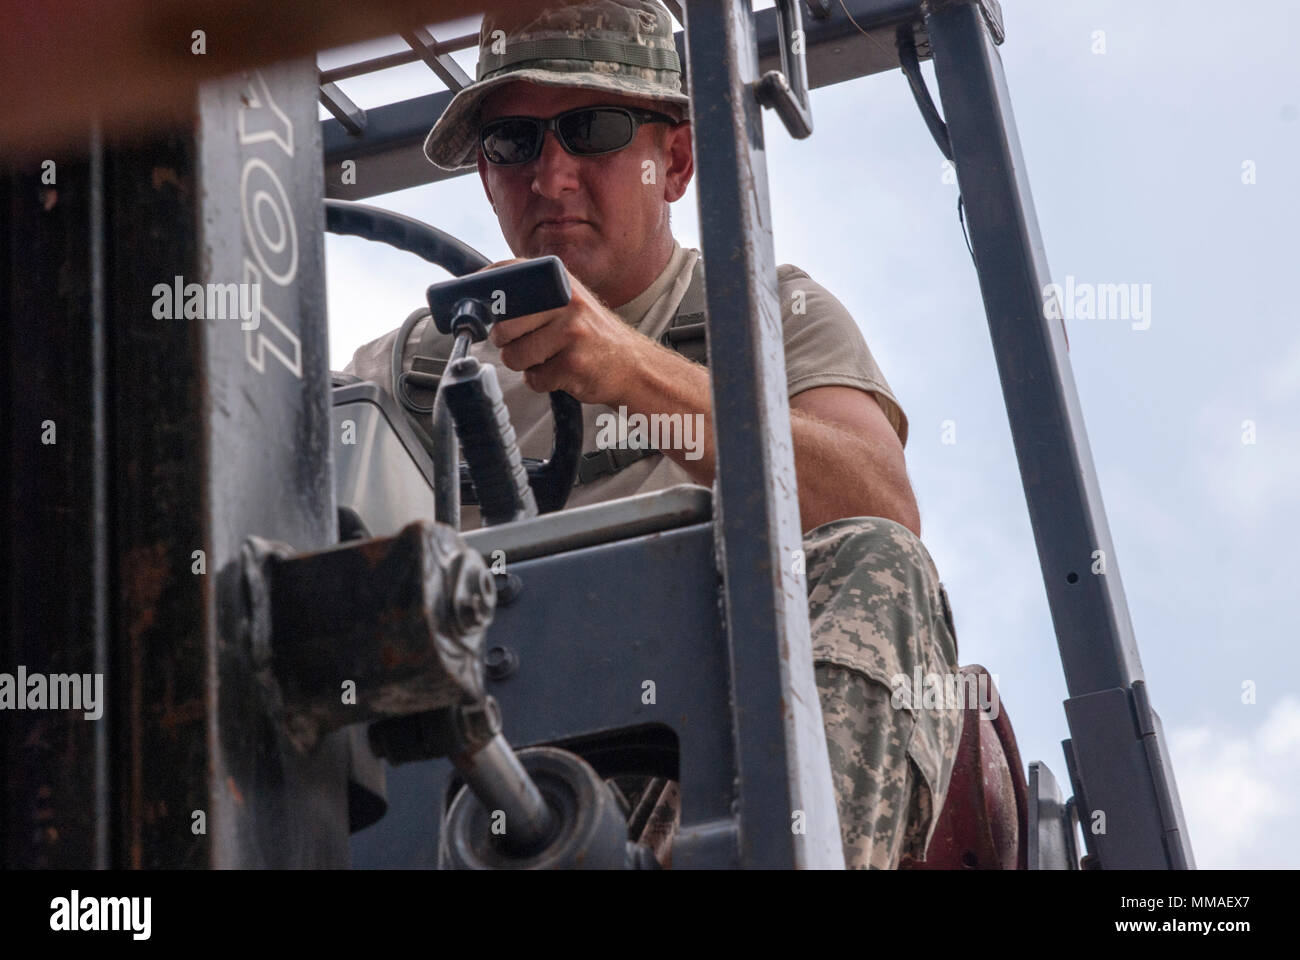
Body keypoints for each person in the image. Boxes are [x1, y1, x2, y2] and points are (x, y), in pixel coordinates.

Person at [344, 0, 962, 869]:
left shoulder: (766, 319)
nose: (551, 177)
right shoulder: (405, 374)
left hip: (681, 772)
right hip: (456, 793)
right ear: (486, 174)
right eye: (514, 142)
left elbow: (877, 513)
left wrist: (630, 369)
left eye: (592, 131)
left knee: (877, 564)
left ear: (672, 162)